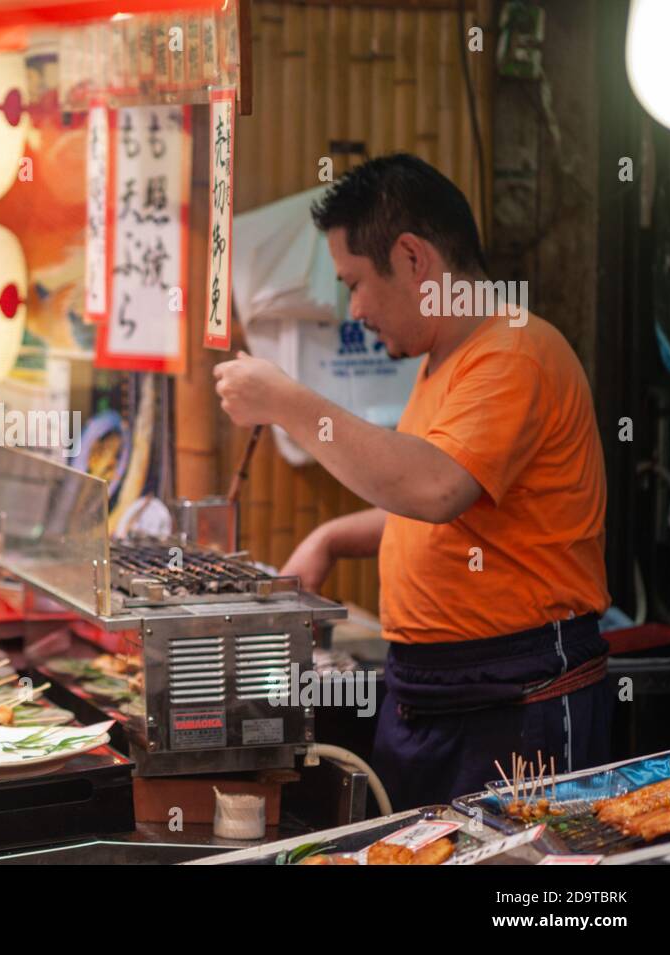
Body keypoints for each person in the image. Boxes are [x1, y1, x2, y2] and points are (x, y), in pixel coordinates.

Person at [214, 154, 611, 808]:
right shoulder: (442, 363)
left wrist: (286, 401)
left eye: (355, 282)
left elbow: (435, 489)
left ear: (413, 259)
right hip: (430, 690)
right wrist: (331, 537)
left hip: (518, 696)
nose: (355, 307)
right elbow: (456, 509)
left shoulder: (513, 352)